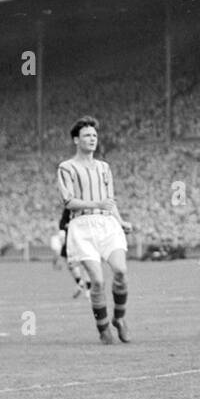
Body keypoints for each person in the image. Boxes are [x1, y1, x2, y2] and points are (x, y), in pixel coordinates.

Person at [57, 116, 135, 344]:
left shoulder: (104, 167)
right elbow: (69, 201)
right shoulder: (66, 167)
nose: (92, 139)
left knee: (120, 270)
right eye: (86, 136)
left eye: (94, 135)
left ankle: (119, 318)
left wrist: (120, 221)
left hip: (107, 223)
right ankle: (103, 330)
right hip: (82, 227)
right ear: (75, 140)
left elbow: (109, 201)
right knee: (98, 281)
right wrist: (96, 204)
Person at [52, 205, 91, 299]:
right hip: (70, 240)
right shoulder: (69, 209)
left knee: (87, 264)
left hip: (83, 241)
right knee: (70, 263)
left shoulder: (87, 208)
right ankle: (80, 282)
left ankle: (88, 288)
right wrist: (67, 227)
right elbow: (62, 223)